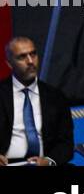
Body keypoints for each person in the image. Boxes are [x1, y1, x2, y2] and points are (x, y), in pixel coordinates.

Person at [2, 37, 74, 166]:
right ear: (9, 63)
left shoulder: (56, 96)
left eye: (33, 54)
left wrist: (49, 161)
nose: (30, 61)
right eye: (22, 57)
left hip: (44, 163)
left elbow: (66, 144)